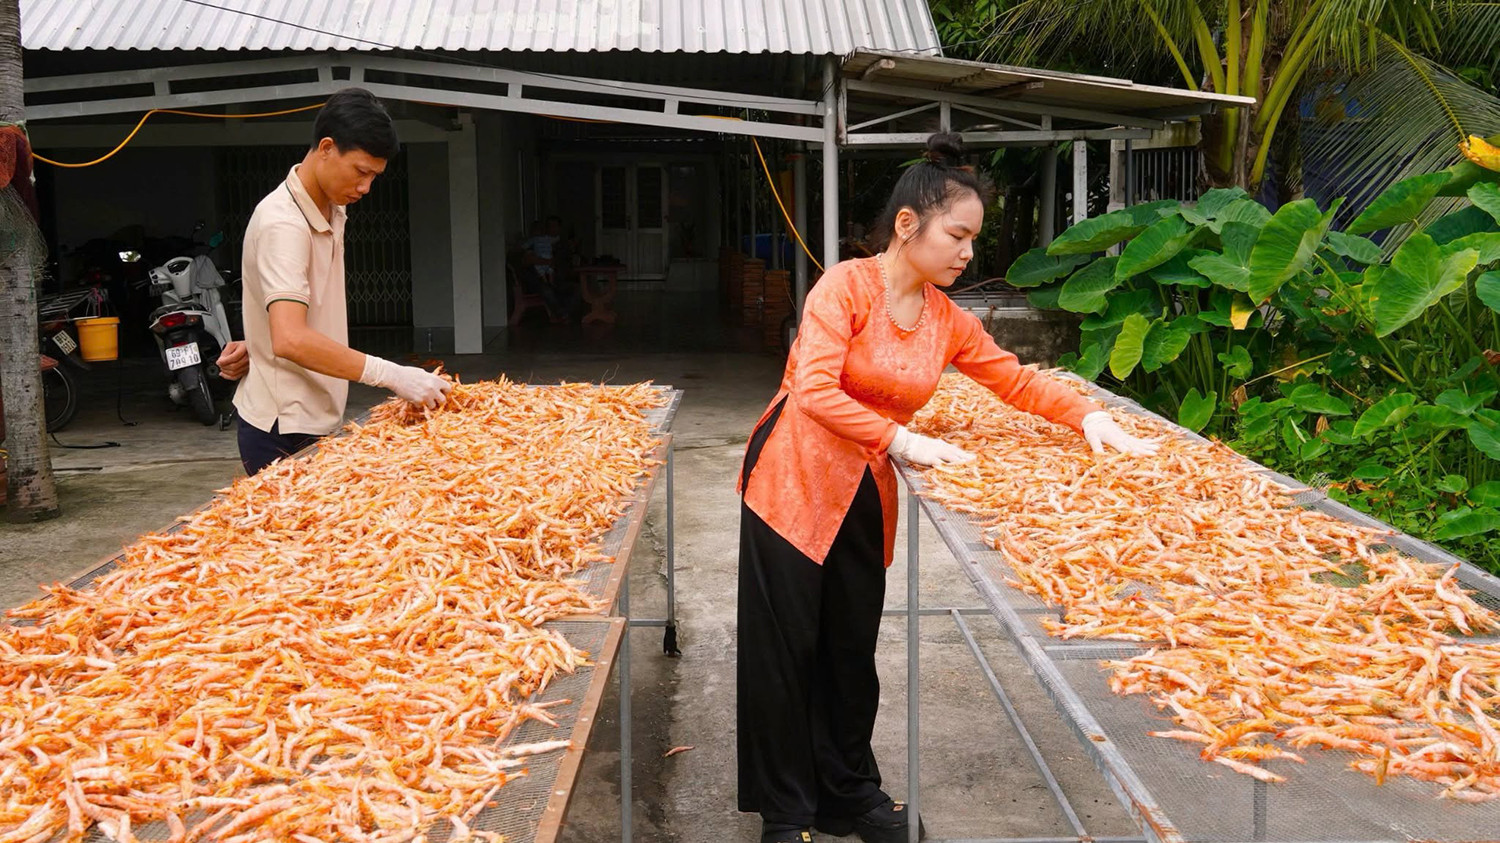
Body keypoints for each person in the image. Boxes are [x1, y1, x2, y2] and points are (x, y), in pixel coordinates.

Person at [735, 133, 1158, 843]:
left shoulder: (947, 319)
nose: (967, 252)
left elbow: (1014, 379)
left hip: (863, 492)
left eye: (972, 239)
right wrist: (902, 438)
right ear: (908, 226)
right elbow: (810, 389)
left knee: (849, 652)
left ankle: (851, 795)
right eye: (957, 235)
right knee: (786, 654)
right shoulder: (846, 288)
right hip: (791, 479)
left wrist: (1088, 415)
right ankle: (787, 814)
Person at [214, 88, 450, 476]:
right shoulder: (284, 223)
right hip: (284, 427)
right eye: (360, 172)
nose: (365, 188)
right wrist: (394, 375)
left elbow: (282, 323)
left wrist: (256, 341)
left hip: (315, 415)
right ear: (326, 148)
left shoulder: (332, 207)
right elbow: (289, 338)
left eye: (374, 176)